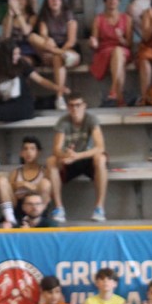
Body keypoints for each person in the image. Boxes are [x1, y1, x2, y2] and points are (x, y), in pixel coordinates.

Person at [0, 41, 66, 154]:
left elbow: (40, 80)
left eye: (18, 53)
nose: (17, 56)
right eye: (14, 54)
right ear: (6, 56)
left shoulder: (22, 64)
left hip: (23, 106)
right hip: (7, 104)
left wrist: (57, 88)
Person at [46, 92, 108, 223]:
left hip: (86, 159)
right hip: (70, 160)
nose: (75, 109)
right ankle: (59, 208)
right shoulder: (63, 122)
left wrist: (77, 156)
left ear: (84, 106)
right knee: (51, 161)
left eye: (78, 105)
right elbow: (56, 149)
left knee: (101, 159)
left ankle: (99, 208)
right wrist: (66, 155)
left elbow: (100, 147)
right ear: (68, 107)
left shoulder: (91, 119)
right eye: (71, 105)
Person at [28, 0, 79, 110]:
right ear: (47, 1)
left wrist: (62, 51)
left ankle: (59, 96)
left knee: (58, 57)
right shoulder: (44, 17)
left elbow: (71, 41)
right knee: (32, 37)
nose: (55, 1)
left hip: (69, 51)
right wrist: (49, 41)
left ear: (62, 1)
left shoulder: (68, 15)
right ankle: (60, 98)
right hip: (52, 51)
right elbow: (43, 35)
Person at [89, 0, 133, 107]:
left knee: (118, 51)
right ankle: (120, 97)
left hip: (122, 49)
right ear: (104, 1)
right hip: (104, 51)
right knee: (119, 60)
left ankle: (113, 90)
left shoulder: (126, 18)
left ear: (119, 0)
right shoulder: (98, 19)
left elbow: (129, 44)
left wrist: (121, 39)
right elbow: (95, 41)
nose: (112, 0)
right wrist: (93, 42)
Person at [0, 136, 53, 220]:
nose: (29, 152)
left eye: (32, 149)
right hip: (18, 205)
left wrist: (26, 185)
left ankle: (39, 217)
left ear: (38, 152)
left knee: (45, 183)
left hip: (36, 206)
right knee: (1, 180)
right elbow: (7, 191)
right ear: (21, 153)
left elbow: (48, 193)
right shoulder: (16, 172)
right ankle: (9, 218)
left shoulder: (44, 171)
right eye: (25, 149)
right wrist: (18, 187)